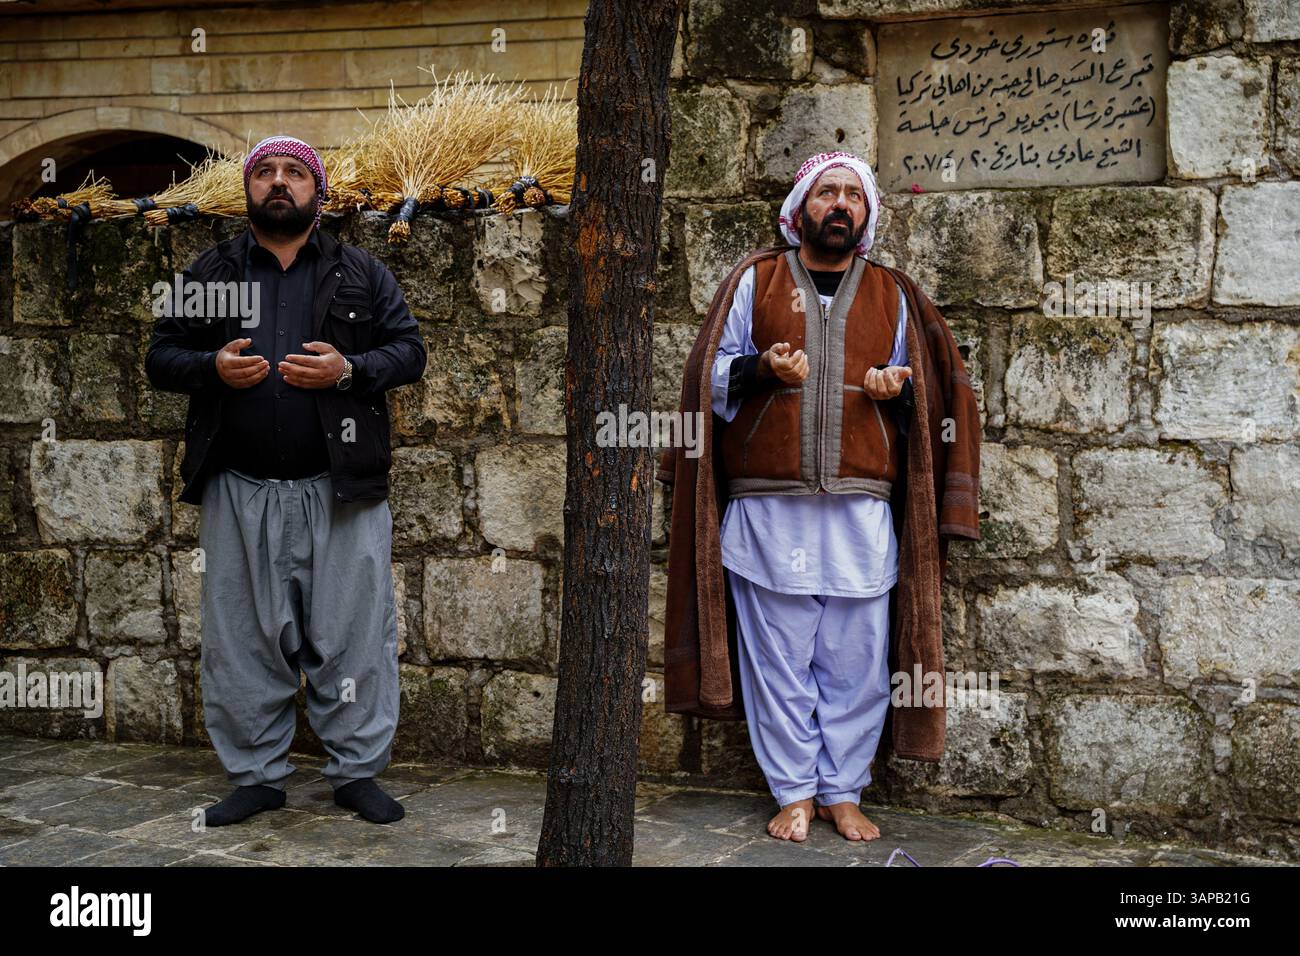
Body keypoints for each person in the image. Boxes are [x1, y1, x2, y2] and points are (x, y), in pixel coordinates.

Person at [658, 150, 981, 843]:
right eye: (827, 193)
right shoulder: (757, 280)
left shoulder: (892, 292)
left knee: (857, 661)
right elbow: (706, 377)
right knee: (778, 660)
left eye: (853, 197)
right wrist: (759, 368)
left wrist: (902, 391)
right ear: (801, 207)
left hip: (862, 513)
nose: (840, 205)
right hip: (769, 512)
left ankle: (843, 790)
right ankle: (795, 791)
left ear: (864, 215)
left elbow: (935, 388)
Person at [145, 135, 427, 826]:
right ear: (247, 191)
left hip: (341, 489)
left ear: (317, 192)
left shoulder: (362, 271)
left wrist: (349, 371)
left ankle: (356, 772)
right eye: (265, 172)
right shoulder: (210, 270)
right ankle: (256, 776)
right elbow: (161, 357)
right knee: (241, 637)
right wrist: (211, 367)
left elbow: (410, 350)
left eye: (294, 173)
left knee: (353, 634)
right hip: (238, 488)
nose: (279, 183)